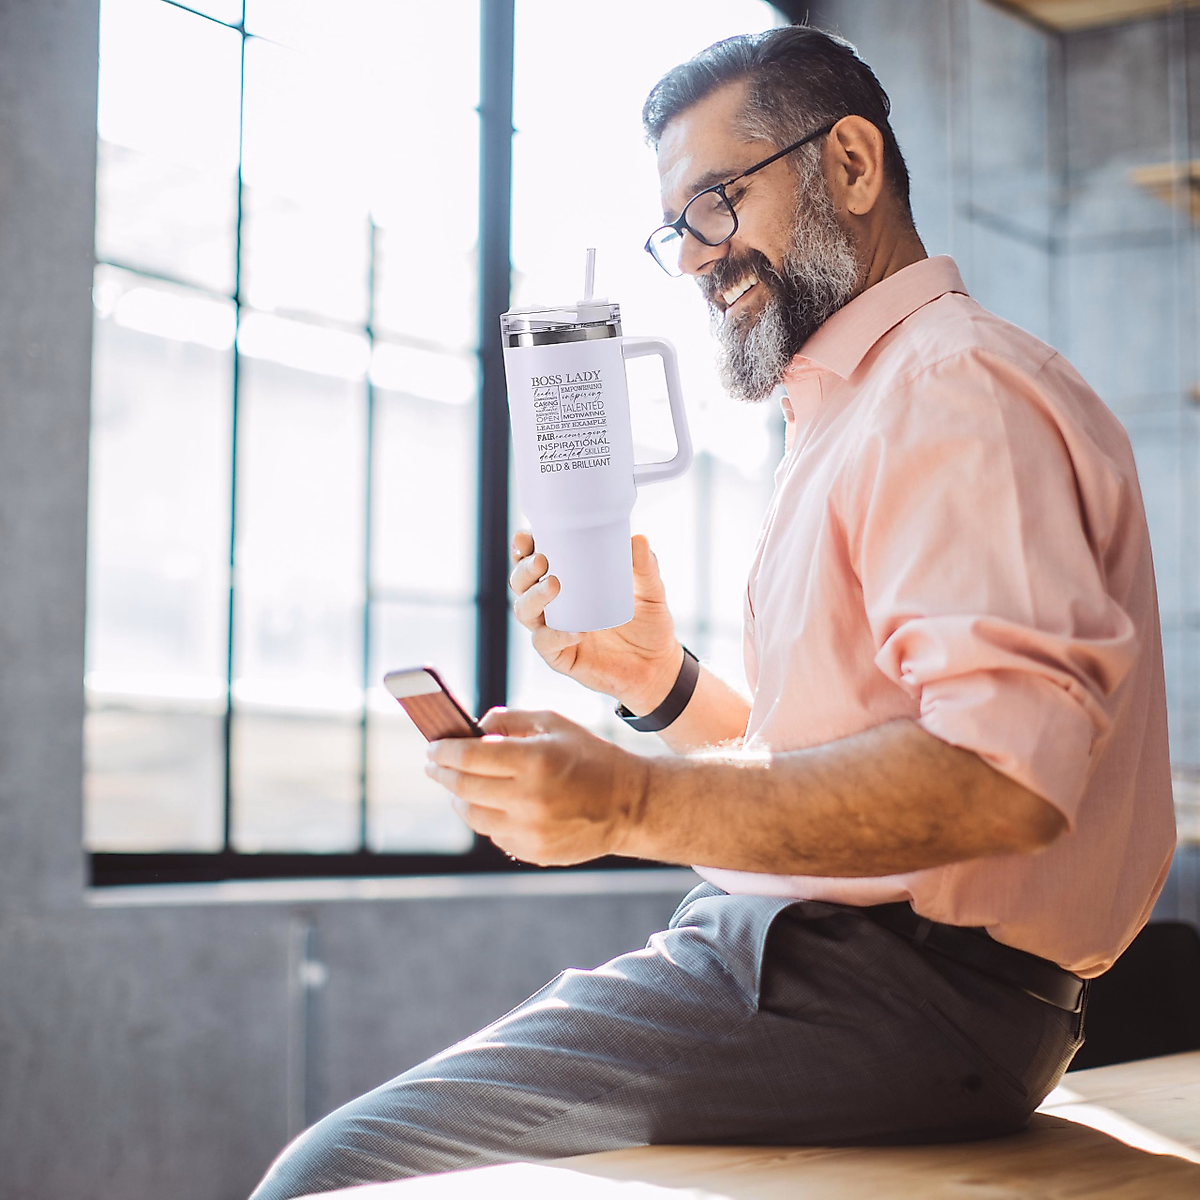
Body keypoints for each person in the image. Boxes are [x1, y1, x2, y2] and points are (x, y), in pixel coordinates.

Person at [250, 25, 1175, 1198]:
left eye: (716, 204)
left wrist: (626, 802)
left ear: (850, 163)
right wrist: (661, 685)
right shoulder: (862, 410)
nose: (690, 258)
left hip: (885, 993)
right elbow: (845, 770)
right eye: (673, 226)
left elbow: (998, 780)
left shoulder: (951, 388)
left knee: (333, 1173)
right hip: (868, 982)